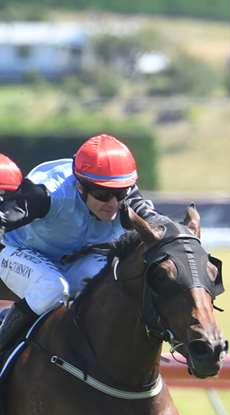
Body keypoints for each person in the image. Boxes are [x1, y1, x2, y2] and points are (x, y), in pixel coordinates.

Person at [0, 134, 157, 353]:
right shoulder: (46, 192)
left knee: (113, 285)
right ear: (80, 187)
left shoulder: (128, 199)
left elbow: (159, 227)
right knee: (53, 289)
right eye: (102, 194)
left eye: (120, 193)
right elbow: (9, 213)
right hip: (22, 252)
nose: (113, 204)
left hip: (78, 258)